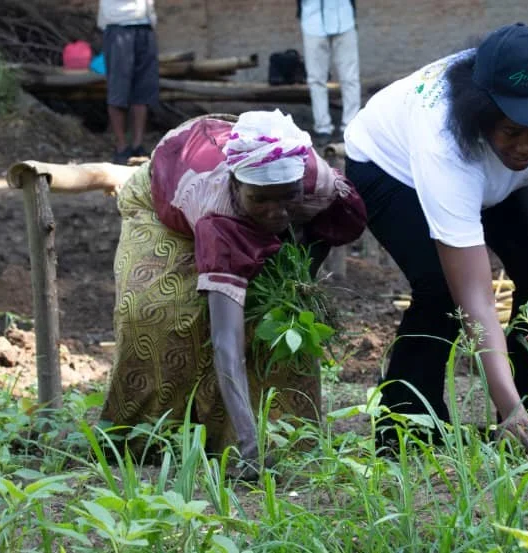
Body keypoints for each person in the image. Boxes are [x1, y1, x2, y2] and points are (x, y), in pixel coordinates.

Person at [343, 23, 528, 453]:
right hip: (390, 168)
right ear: (483, 113)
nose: (526, 147)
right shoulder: (442, 139)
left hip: (495, 179)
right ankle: (407, 426)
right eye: (512, 131)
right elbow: (475, 299)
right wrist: (507, 404)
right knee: (440, 286)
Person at [101, 110, 367, 475]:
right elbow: (225, 338)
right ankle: (148, 440)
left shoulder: (315, 185)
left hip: (229, 156)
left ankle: (288, 440)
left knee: (280, 323)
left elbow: (318, 231)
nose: (276, 213)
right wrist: (249, 443)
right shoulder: (217, 212)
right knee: (161, 313)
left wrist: (298, 278)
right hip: (164, 196)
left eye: (286, 198)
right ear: (238, 187)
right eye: (261, 200)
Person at [98, 0, 159, 165]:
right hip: (119, 25)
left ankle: (138, 145)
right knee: (118, 87)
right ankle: (121, 146)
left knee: (143, 88)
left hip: (145, 25)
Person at [297, 0, 361, 144]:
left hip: (344, 19)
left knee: (350, 77)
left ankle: (351, 125)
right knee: (315, 79)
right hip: (312, 21)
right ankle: (322, 127)